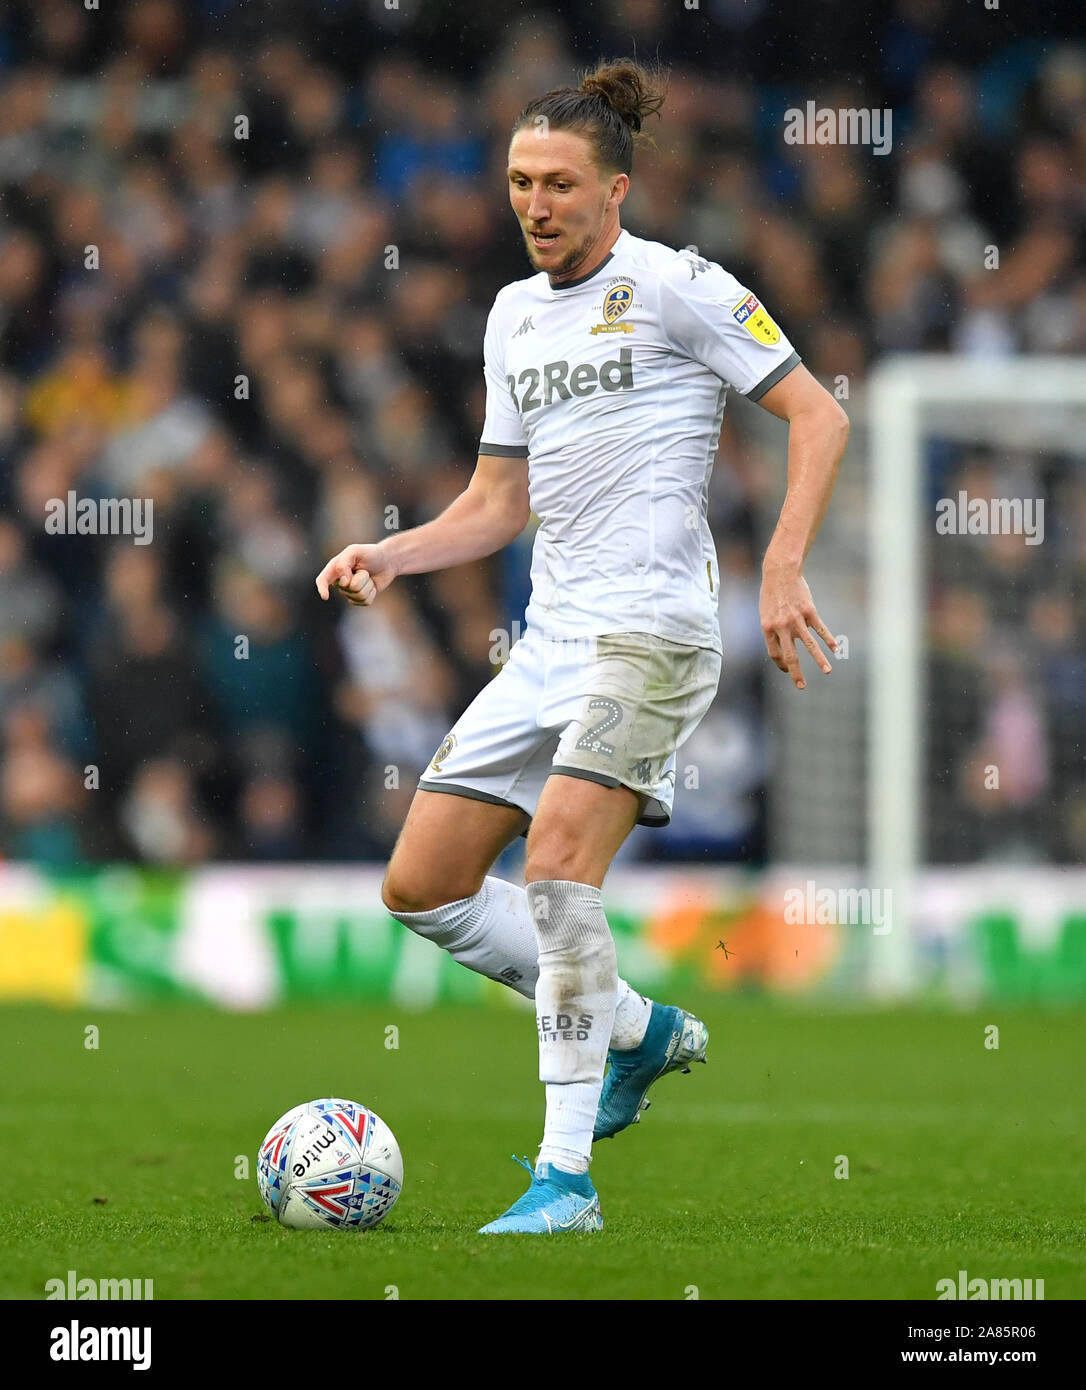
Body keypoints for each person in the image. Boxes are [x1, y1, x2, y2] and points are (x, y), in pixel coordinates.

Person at [315, 58, 848, 1234]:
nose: (535, 204)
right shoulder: (511, 314)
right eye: (518, 182)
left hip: (651, 633)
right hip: (547, 639)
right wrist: (393, 555)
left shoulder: (681, 287)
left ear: (615, 190)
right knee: (422, 886)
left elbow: (820, 411)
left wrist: (780, 562)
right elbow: (497, 503)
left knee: (557, 873)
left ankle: (564, 1183)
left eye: (558, 183)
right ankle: (636, 1027)